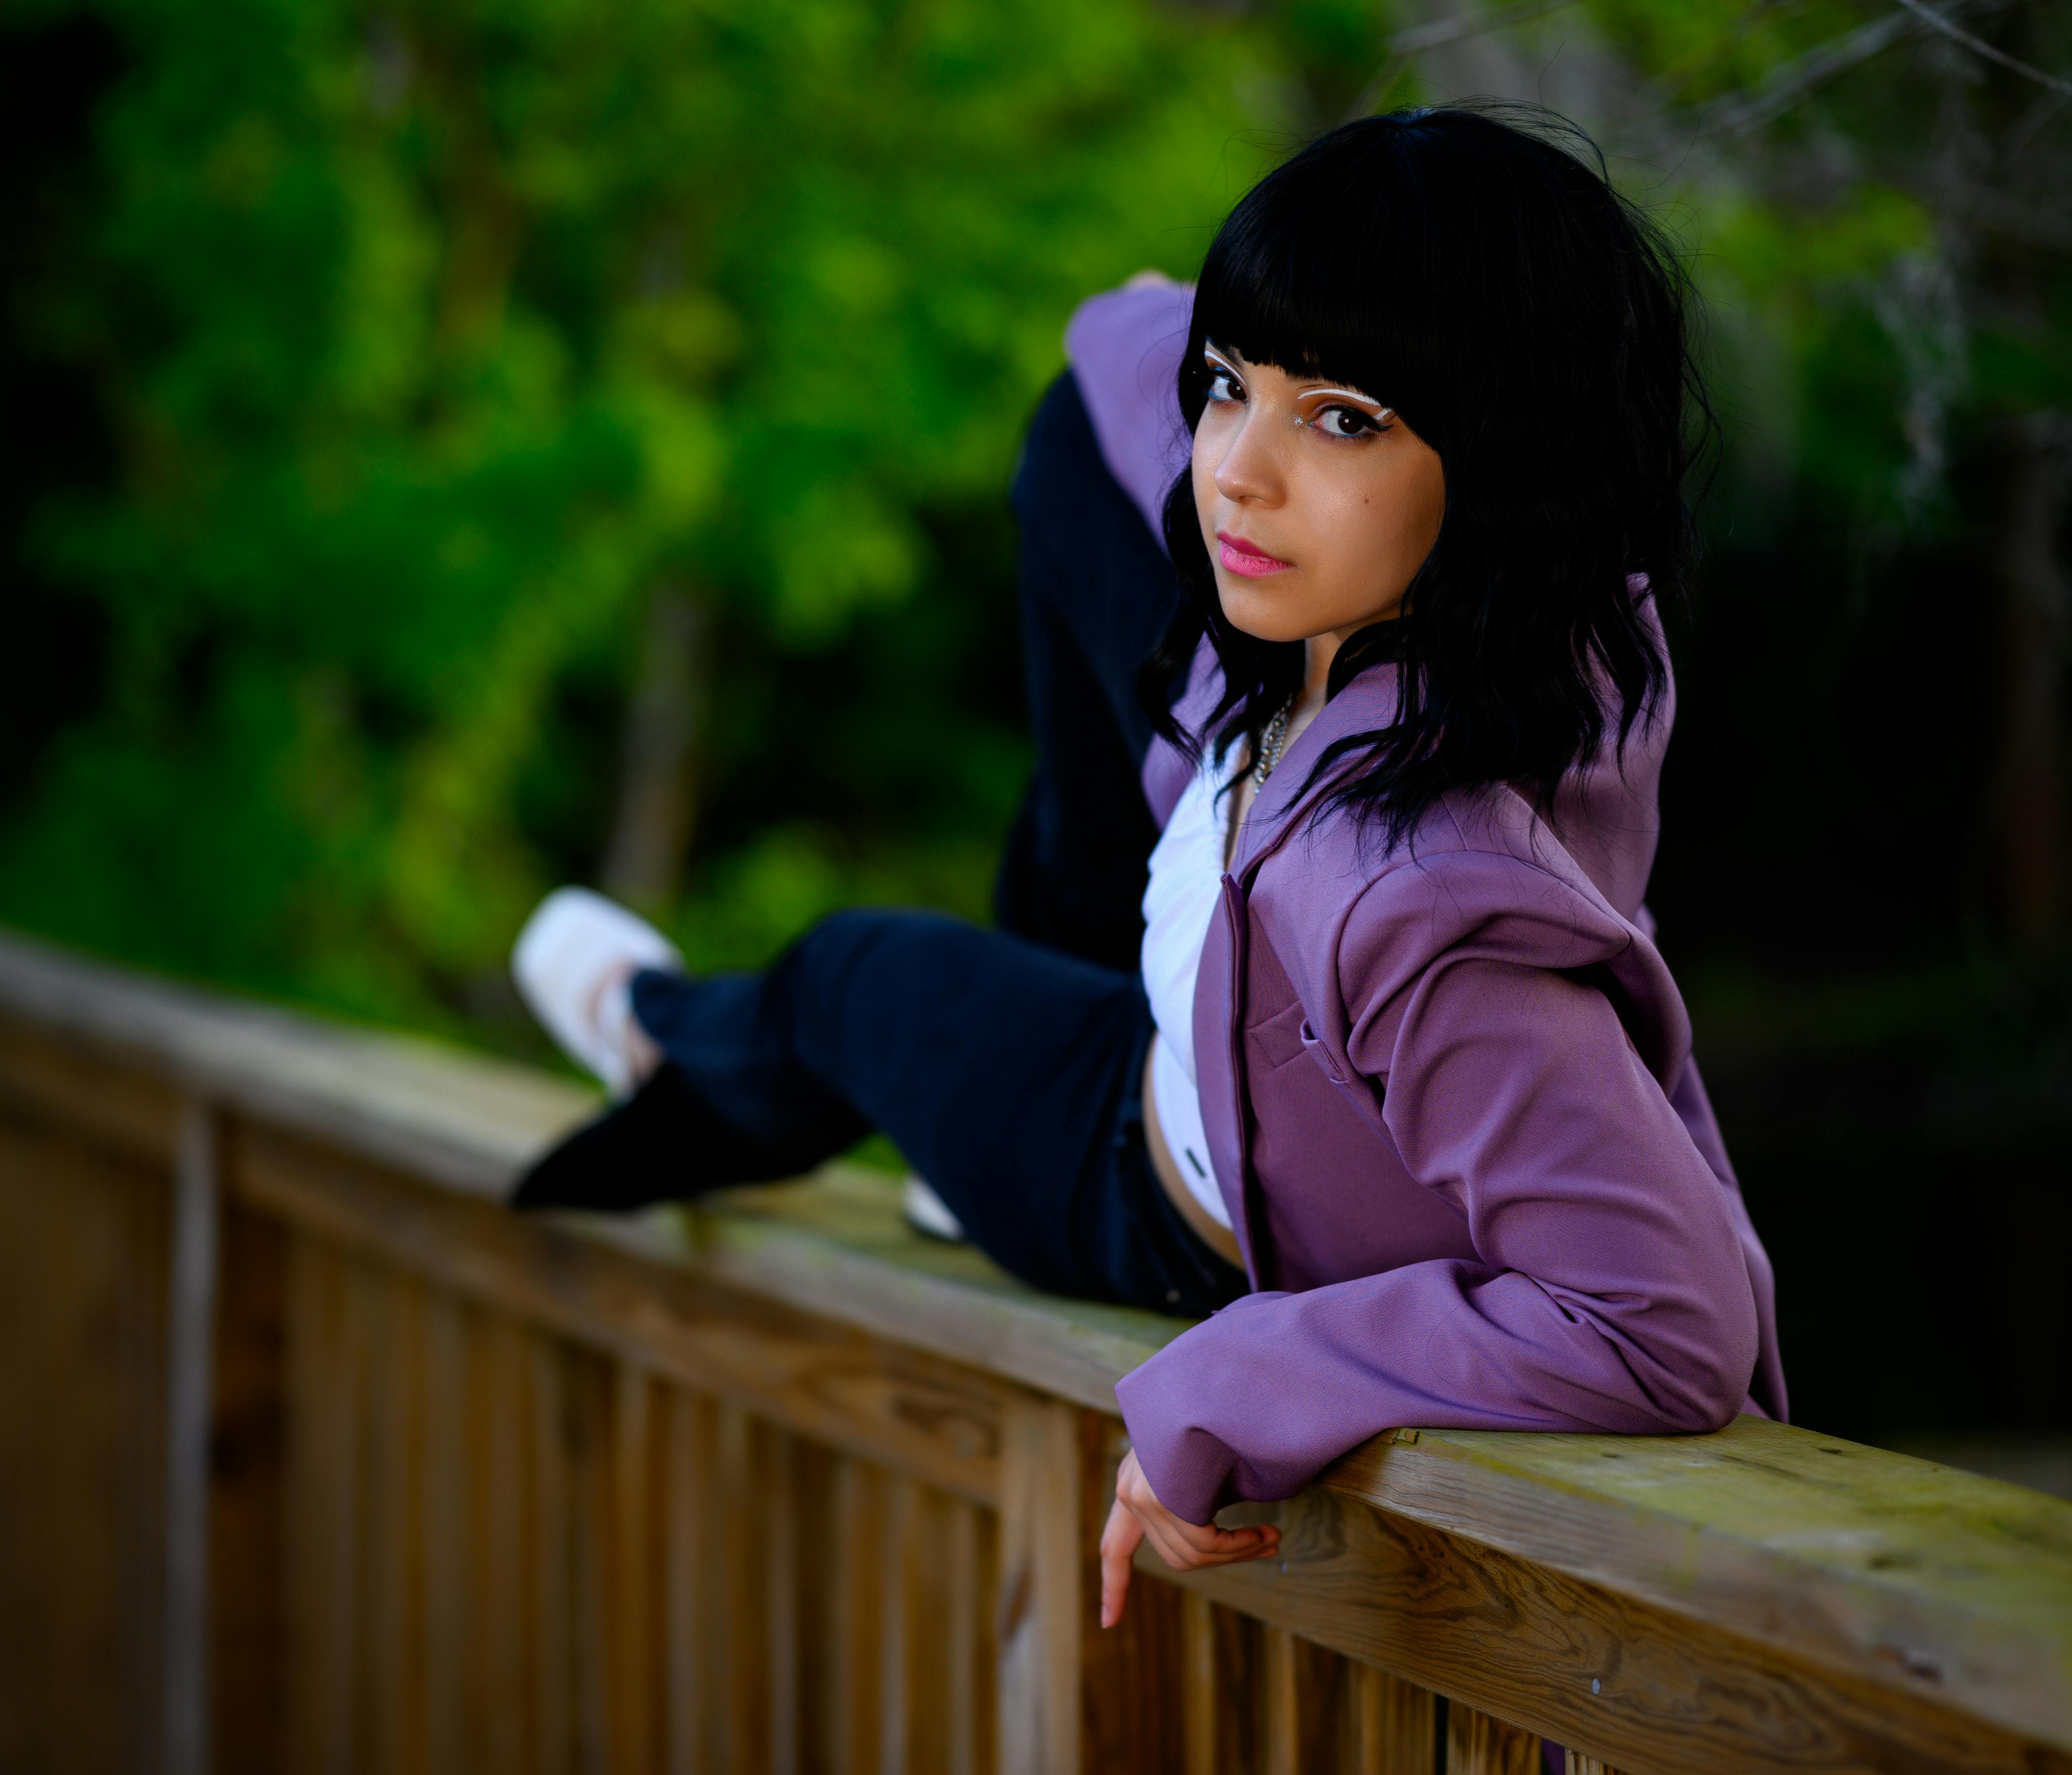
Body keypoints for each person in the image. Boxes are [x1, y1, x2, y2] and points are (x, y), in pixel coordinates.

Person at [509, 104, 1785, 1630]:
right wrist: (1170, 324)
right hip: (1235, 889)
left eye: (1341, 418)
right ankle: (1046, 940)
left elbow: (1663, 1324)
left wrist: (1235, 1385)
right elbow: (1128, 374)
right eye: (1230, 388)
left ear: (1508, 465)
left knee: (853, 983)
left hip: (1168, 1184)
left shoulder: (1420, 907)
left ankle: (669, 1041)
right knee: (1072, 449)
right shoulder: (1488, 620)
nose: (1235, 472)